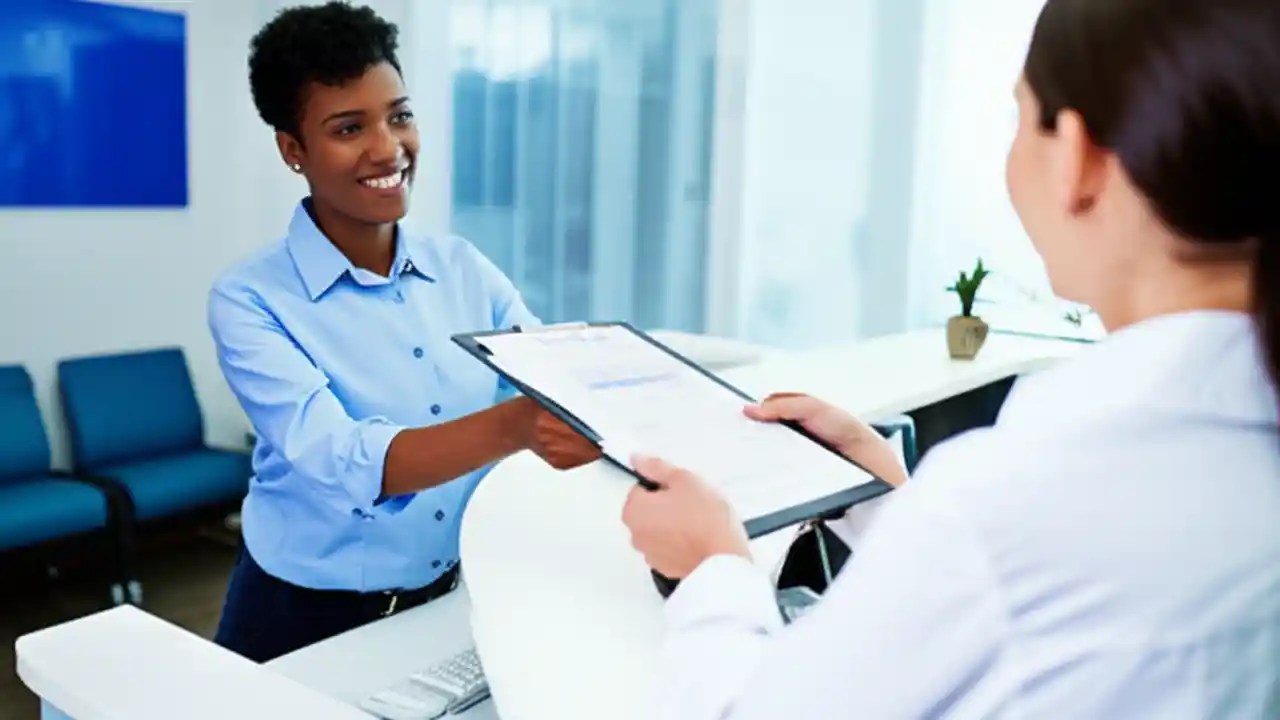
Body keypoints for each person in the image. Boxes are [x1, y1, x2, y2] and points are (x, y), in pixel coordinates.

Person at [622, 0, 1280, 716]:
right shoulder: (1223, 450)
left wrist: (712, 568)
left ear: (1077, 158)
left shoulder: (1016, 504)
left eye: (1018, 118)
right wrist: (887, 497)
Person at [208, 2, 599, 663]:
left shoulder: (463, 268)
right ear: (293, 149)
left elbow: (549, 373)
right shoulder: (250, 301)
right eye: (349, 127)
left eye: (401, 115)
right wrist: (517, 427)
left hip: (446, 597)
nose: (388, 148)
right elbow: (343, 461)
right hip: (300, 617)